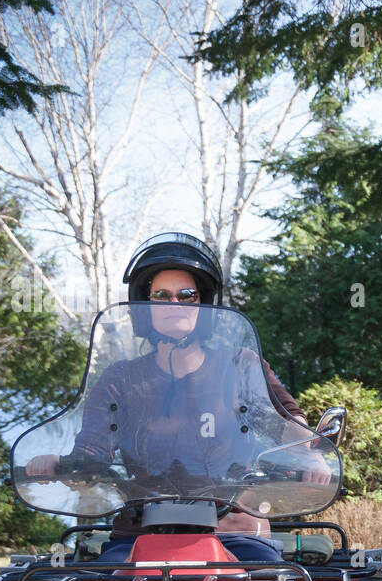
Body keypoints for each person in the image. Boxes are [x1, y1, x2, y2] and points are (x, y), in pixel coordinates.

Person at [26, 232, 327, 563]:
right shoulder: (120, 379)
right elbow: (91, 454)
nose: (175, 305)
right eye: (161, 295)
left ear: (203, 304)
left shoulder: (240, 365)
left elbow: (282, 419)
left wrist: (309, 452)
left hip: (236, 531)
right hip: (139, 535)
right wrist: (62, 466)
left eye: (186, 295)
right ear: (144, 307)